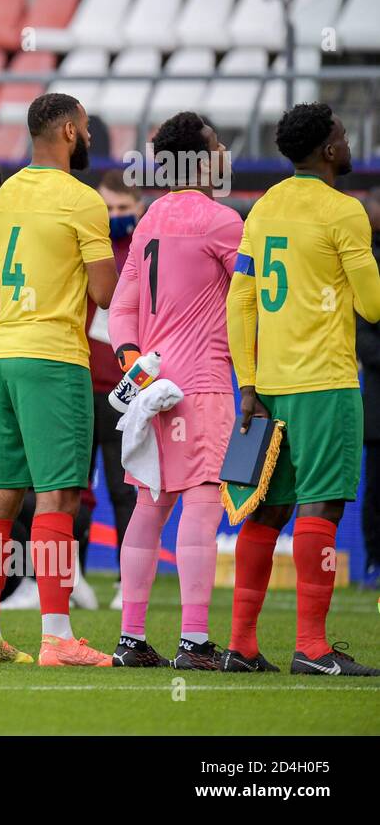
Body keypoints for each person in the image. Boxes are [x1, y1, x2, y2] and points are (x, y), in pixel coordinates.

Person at [225, 102, 380, 675]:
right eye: (340, 133)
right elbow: (373, 304)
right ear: (327, 149)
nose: (346, 141)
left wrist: (246, 382)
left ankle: (241, 646)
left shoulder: (263, 207)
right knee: (322, 505)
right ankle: (313, 648)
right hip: (326, 384)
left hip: (267, 385)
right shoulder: (346, 211)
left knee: (265, 510)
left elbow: (239, 299)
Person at [0, 92, 118, 667]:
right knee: (57, 496)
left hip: (2, 356)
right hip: (54, 359)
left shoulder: (3, 197)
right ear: (69, 130)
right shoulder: (82, 200)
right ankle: (56, 637)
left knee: (0, 498)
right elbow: (104, 294)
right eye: (84, 128)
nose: (88, 137)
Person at [107, 111, 242, 670]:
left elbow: (121, 309)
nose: (224, 152)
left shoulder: (149, 220)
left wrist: (138, 368)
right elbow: (257, 300)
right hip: (205, 385)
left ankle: (131, 640)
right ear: (201, 157)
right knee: (203, 502)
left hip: (152, 390)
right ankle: (194, 642)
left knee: (149, 504)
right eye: (217, 145)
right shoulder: (222, 222)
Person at [89, 169, 144, 611]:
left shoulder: (146, 251)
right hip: (80, 382)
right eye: (108, 208)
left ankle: (130, 581)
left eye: (123, 209)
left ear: (139, 209)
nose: (115, 216)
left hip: (127, 387)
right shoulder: (88, 247)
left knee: (125, 488)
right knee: (70, 488)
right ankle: (70, 578)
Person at [356, 187, 380, 588]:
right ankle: (375, 561)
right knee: (375, 490)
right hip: (377, 400)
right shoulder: (366, 261)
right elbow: (362, 331)